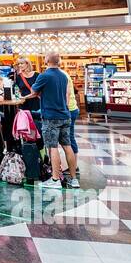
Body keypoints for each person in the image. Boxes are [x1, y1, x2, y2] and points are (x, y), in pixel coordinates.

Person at [18, 53, 80, 188]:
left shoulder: (44, 75)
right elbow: (66, 95)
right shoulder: (63, 76)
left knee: (53, 147)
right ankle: (74, 179)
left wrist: (24, 98)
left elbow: (34, 92)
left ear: (46, 61)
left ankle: (55, 179)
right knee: (67, 146)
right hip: (65, 114)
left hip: (51, 116)